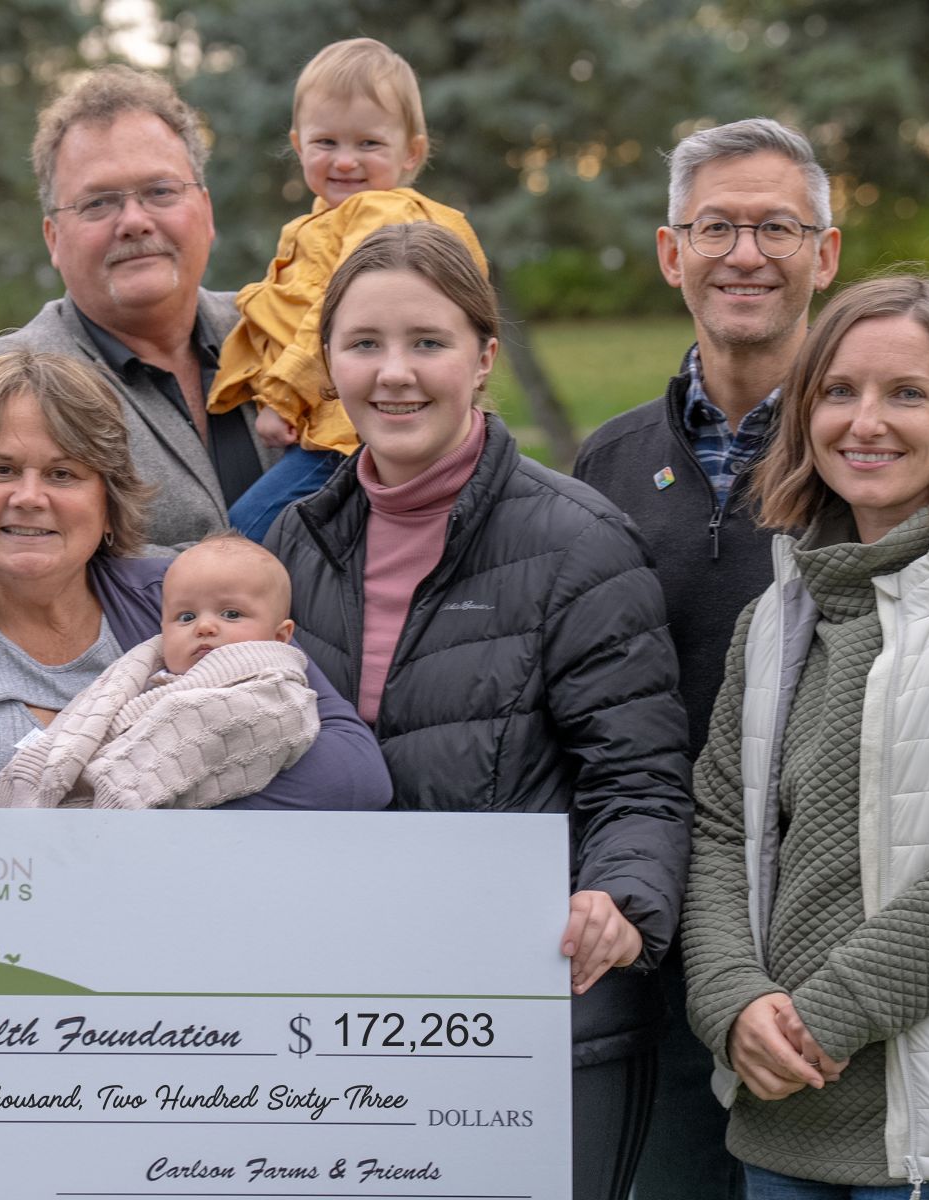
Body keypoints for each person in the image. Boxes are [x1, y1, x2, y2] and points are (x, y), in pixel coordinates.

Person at [265, 222, 691, 1200]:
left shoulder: (578, 541)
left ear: (484, 357)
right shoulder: (292, 543)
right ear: (329, 362)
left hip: (529, 1019)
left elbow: (641, 777)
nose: (394, 374)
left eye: (428, 342)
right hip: (330, 1022)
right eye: (363, 344)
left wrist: (623, 900)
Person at [682, 273, 929, 1198]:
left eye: (908, 393)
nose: (867, 422)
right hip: (784, 1124)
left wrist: (829, 1014)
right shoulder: (774, 622)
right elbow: (717, 832)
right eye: (838, 391)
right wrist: (730, 1003)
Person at [571, 117, 841, 1200]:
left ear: (824, 254)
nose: (745, 254)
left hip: (816, 940)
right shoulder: (610, 461)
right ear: (669, 252)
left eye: (777, 227)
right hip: (648, 925)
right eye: (716, 226)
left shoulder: (872, 450)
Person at [0, 350, 389, 811]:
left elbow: (353, 775)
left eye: (63, 474)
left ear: (108, 504)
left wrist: (119, 827)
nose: (29, 497)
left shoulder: (185, 600)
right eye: (1, 470)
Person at [0, 65, 276, 548]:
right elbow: (35, 570)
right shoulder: (4, 380)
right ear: (53, 239)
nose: (134, 221)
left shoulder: (276, 332)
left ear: (206, 212)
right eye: (98, 203)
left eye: (160, 191)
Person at [209, 37, 488, 542]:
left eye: (368, 144)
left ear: (412, 153)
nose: (344, 161)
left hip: (356, 431)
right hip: (337, 425)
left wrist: (280, 397)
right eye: (326, 143)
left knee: (244, 533)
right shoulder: (316, 224)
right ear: (298, 145)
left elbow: (332, 315)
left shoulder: (383, 217)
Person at [0, 532, 318, 809]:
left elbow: (185, 740)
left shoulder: (271, 694)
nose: (204, 626)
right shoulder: (152, 676)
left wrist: (95, 810)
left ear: (280, 637)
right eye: (186, 617)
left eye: (231, 613)